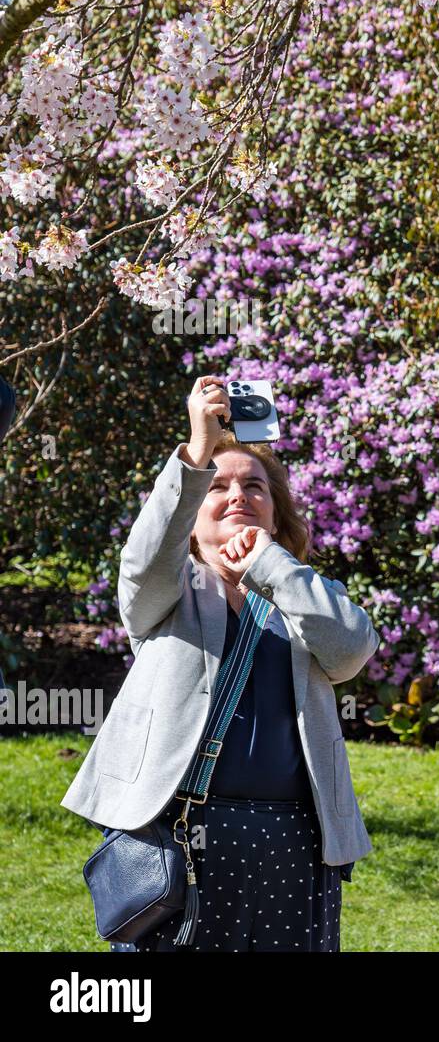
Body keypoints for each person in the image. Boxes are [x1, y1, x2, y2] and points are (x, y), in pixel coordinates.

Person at [61, 374, 380, 951]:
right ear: (192, 517)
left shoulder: (305, 595)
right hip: (180, 838)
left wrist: (275, 567)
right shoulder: (168, 592)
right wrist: (197, 450)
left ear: (277, 517)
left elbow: (352, 648)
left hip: (293, 840)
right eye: (219, 487)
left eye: (255, 486)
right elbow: (141, 561)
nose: (238, 496)